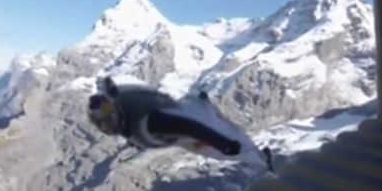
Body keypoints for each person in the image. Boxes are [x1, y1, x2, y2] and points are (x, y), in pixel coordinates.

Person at [87, 76, 274, 171]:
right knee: (219, 147)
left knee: (231, 145)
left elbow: (190, 127)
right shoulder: (117, 100)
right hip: (180, 118)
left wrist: (223, 144)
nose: (109, 125)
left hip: (193, 118)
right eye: (104, 124)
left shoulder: (151, 123)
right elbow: (109, 90)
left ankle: (262, 160)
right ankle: (256, 156)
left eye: (109, 120)